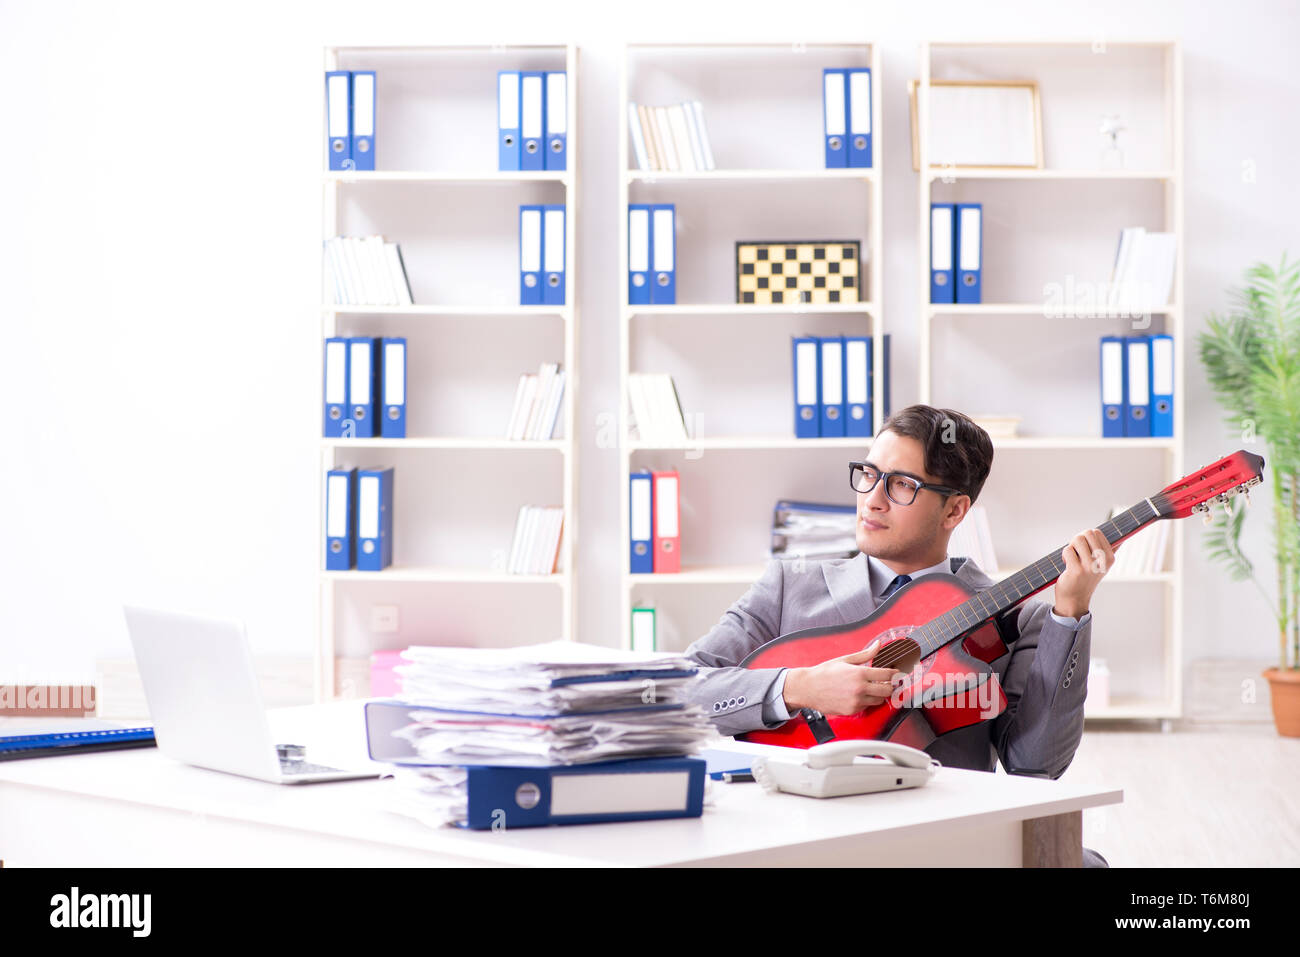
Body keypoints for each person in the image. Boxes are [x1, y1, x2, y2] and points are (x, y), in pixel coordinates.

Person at [685, 405, 1112, 867]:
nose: (872, 498)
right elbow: (681, 689)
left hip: (935, 841)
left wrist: (1070, 612)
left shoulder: (1013, 618)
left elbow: (1036, 766)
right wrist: (798, 687)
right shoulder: (789, 586)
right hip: (798, 830)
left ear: (955, 509)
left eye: (902, 485)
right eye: (869, 474)